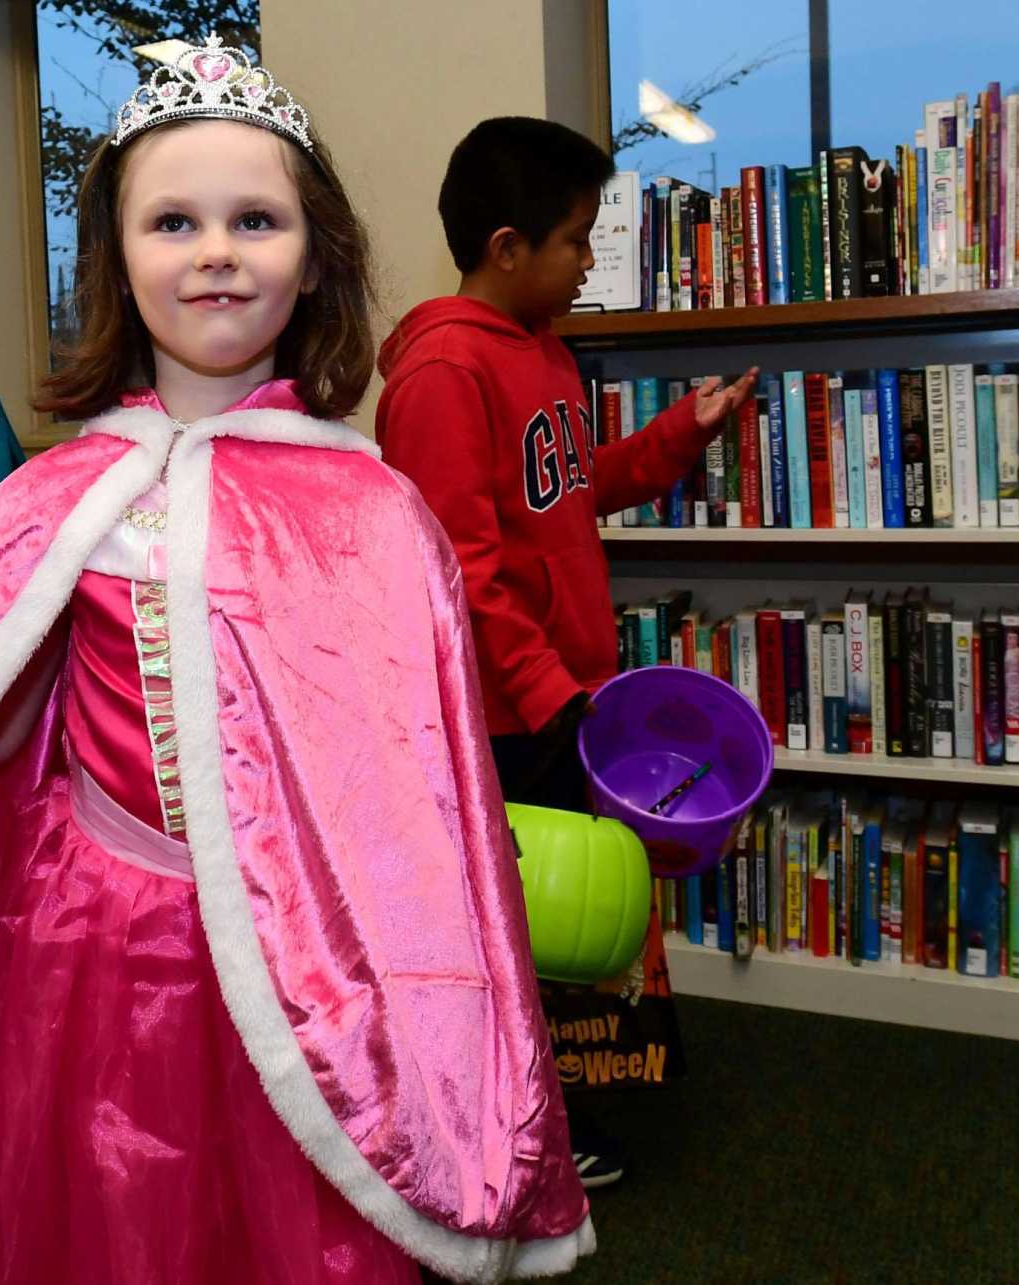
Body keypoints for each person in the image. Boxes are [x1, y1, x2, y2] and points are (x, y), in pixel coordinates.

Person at [0, 41, 591, 1284]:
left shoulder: (370, 513)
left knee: (272, 1223)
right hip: (83, 944)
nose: (214, 252)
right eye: (172, 221)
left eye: (255, 218)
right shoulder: (64, 493)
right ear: (116, 256)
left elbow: (410, 797)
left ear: (313, 257)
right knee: (90, 1216)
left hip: (302, 969)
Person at [376, 116, 757, 1187]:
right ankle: (500, 1140)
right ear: (507, 248)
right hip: (506, 713)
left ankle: (556, 1117)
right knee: (515, 939)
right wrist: (552, 696)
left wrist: (683, 429)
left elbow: (571, 486)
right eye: (577, 240)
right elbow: (458, 567)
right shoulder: (444, 371)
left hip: (559, 697)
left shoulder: (540, 350)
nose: (590, 259)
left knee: (572, 930)